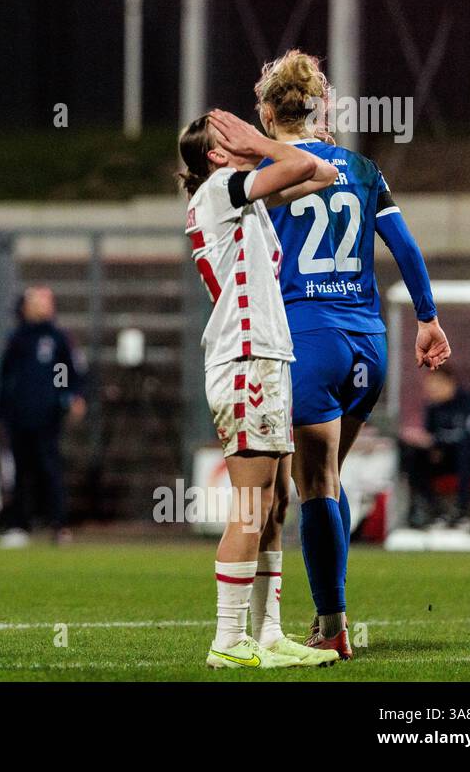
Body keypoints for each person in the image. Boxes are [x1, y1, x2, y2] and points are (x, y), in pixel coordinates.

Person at [251, 50, 450, 660]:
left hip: (308, 338)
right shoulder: (363, 169)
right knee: (326, 481)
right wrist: (427, 319)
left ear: (265, 110)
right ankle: (324, 614)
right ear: (322, 106)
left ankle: (326, 623)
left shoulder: (262, 167)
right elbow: (406, 248)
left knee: (313, 483)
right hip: (368, 342)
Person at [181, 109, 340, 669]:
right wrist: (265, 142)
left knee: (274, 503)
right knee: (251, 502)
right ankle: (228, 640)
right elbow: (300, 161)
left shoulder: (240, 199)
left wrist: (263, 146)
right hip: (246, 360)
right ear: (217, 155)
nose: (250, 137)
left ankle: (268, 633)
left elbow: (321, 173)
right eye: (236, 136)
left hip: (268, 360)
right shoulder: (220, 190)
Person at [0, 285, 86, 547]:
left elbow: (68, 371)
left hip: (47, 416)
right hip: (18, 415)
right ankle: (19, 525)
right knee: (19, 471)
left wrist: (68, 396)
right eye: (37, 301)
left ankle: (59, 524)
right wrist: (2, 409)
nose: (43, 305)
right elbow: (6, 376)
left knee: (50, 469)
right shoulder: (17, 339)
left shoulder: (57, 339)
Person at [399, 366, 470, 531]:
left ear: (449, 383)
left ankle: (462, 511)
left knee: (464, 452)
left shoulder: (469, 404)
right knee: (412, 454)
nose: (432, 391)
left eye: (436, 385)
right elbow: (430, 438)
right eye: (429, 387)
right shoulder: (433, 408)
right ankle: (433, 510)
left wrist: (437, 442)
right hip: (446, 457)